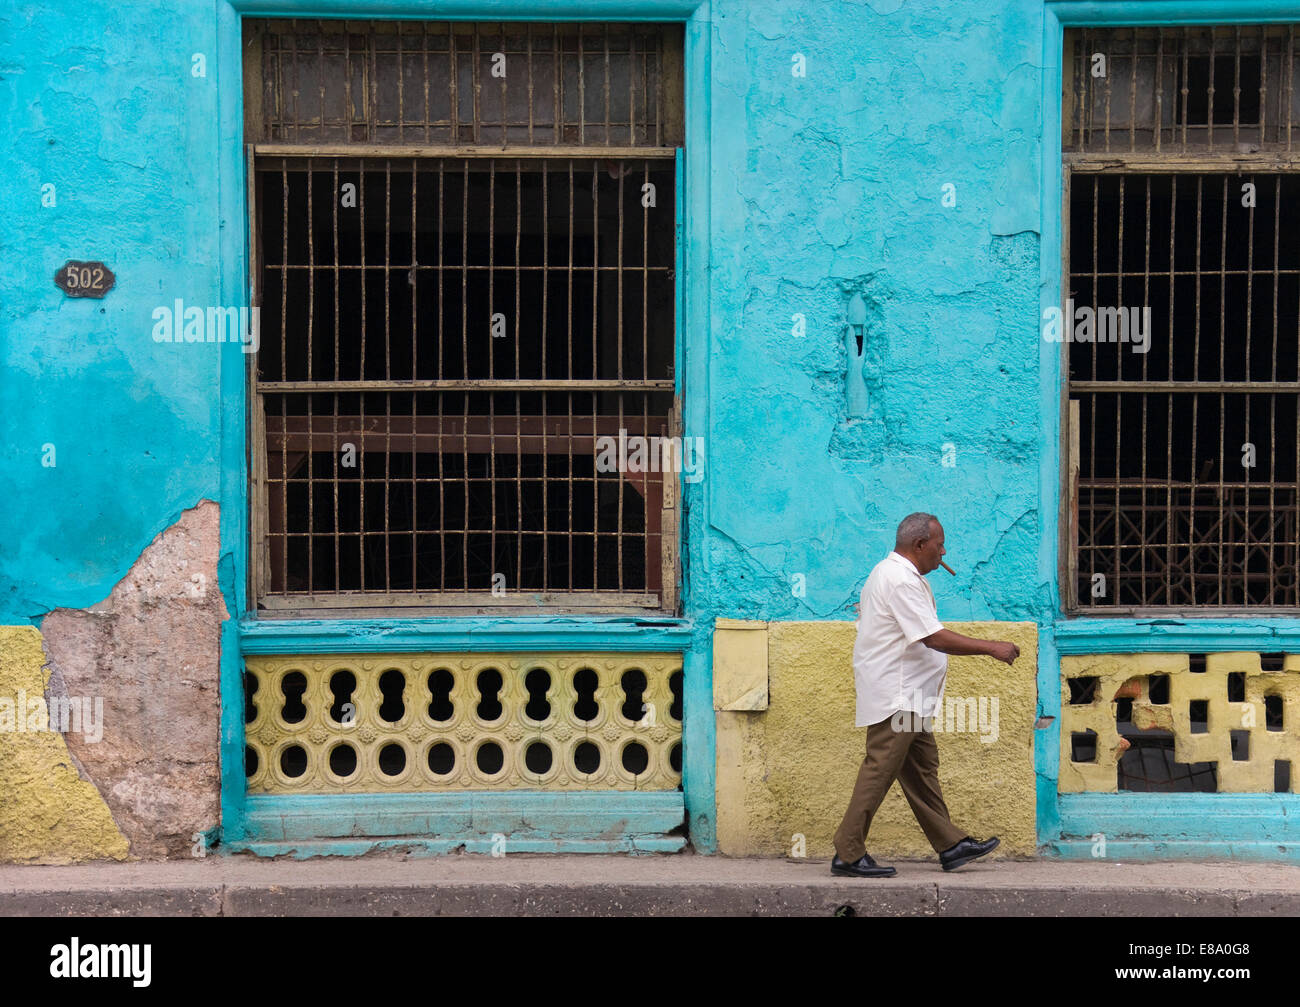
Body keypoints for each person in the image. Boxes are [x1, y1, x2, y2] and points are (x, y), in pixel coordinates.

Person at [831, 512, 1020, 878]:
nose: (943, 551)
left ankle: (951, 845)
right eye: (939, 545)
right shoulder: (899, 580)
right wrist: (991, 647)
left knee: (921, 770)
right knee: (880, 769)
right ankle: (848, 852)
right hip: (898, 695)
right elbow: (932, 636)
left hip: (910, 696)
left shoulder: (893, 575)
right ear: (920, 545)